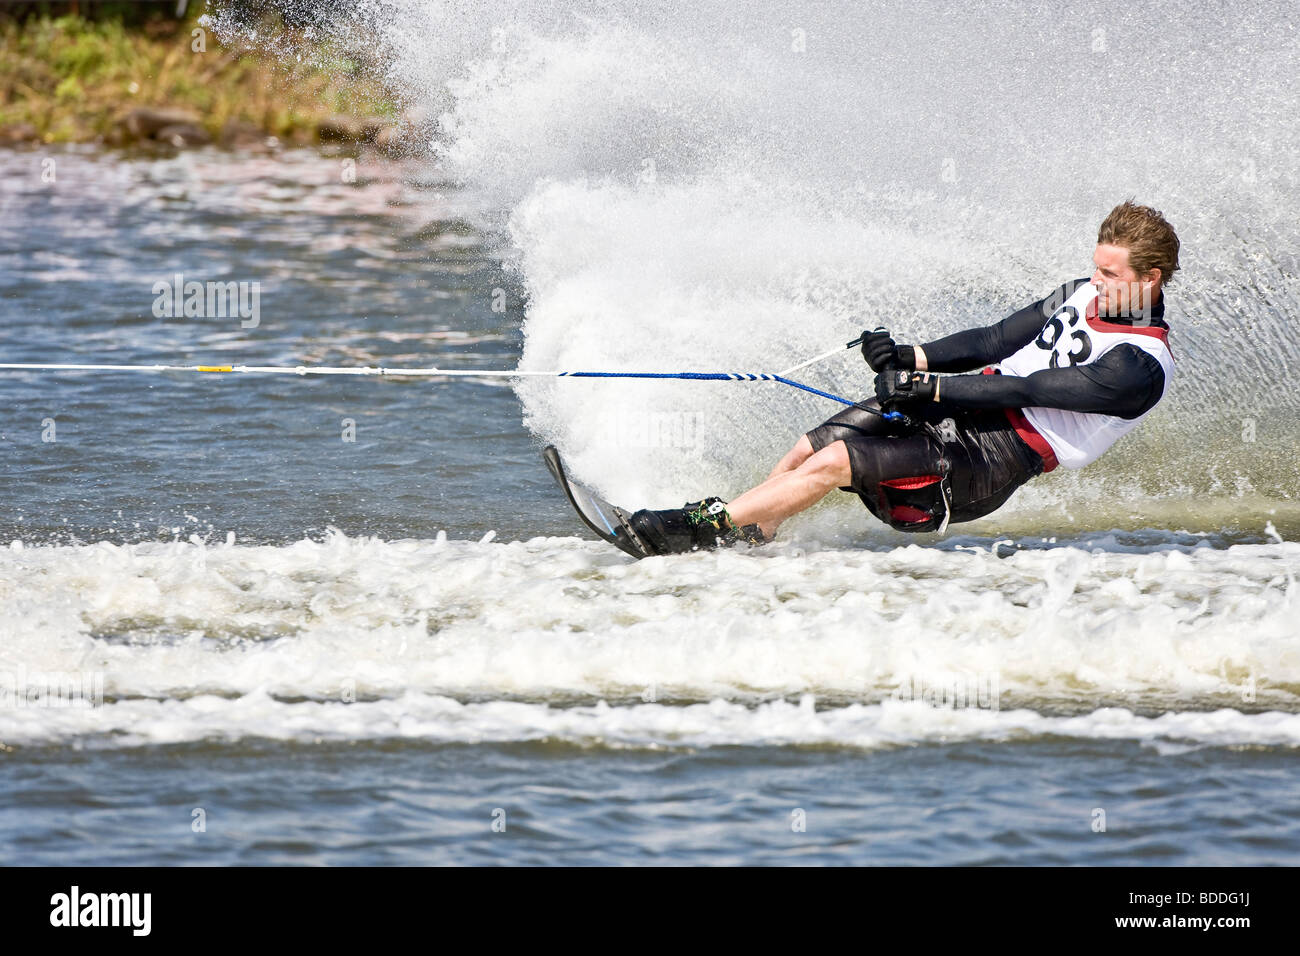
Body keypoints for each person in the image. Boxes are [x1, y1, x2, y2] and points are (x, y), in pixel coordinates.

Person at [626, 200, 1180, 555]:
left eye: (1109, 274)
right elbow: (992, 342)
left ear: (1149, 279)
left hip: (996, 455)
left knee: (835, 465)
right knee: (810, 447)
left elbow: (1025, 390)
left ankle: (690, 528)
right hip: (964, 407)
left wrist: (932, 388)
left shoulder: (1139, 365)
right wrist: (908, 357)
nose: (1094, 280)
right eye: (1095, 266)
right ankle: (750, 540)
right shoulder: (1077, 292)